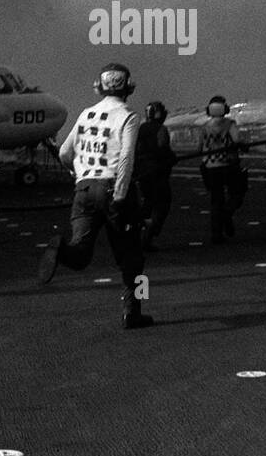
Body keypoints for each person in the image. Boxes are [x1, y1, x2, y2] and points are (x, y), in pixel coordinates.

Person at [39, 62, 152, 330]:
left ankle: (61, 249)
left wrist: (80, 174)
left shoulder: (86, 114)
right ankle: (132, 312)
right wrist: (122, 193)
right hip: (113, 187)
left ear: (98, 87)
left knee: (80, 254)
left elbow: (65, 153)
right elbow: (126, 156)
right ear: (129, 88)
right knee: (132, 258)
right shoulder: (128, 116)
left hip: (84, 189)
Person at [199, 95, 243, 244]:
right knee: (237, 194)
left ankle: (216, 233)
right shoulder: (230, 124)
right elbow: (237, 140)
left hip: (210, 167)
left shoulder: (204, 127)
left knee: (216, 200)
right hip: (229, 165)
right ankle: (227, 214)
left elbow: (199, 148)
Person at [134, 101, 177, 251]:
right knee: (162, 204)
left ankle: (138, 234)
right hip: (157, 172)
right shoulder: (161, 129)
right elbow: (162, 148)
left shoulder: (140, 129)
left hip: (142, 173)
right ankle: (149, 235)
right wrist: (172, 157)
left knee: (147, 202)